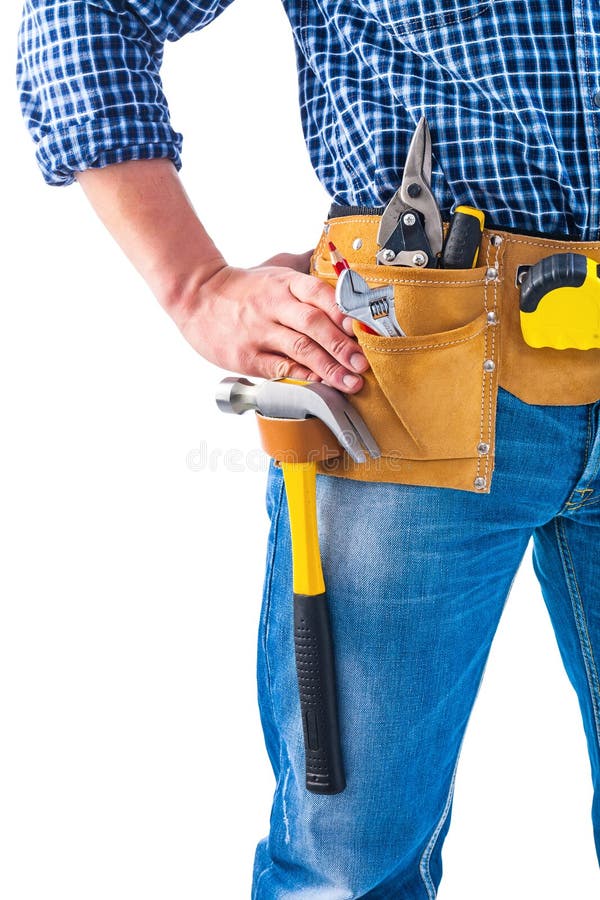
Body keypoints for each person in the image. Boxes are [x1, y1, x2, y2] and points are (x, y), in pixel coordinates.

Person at [16, 1, 600, 896]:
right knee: (347, 866)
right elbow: (84, 12)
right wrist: (196, 286)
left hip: (423, 364)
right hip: (410, 375)